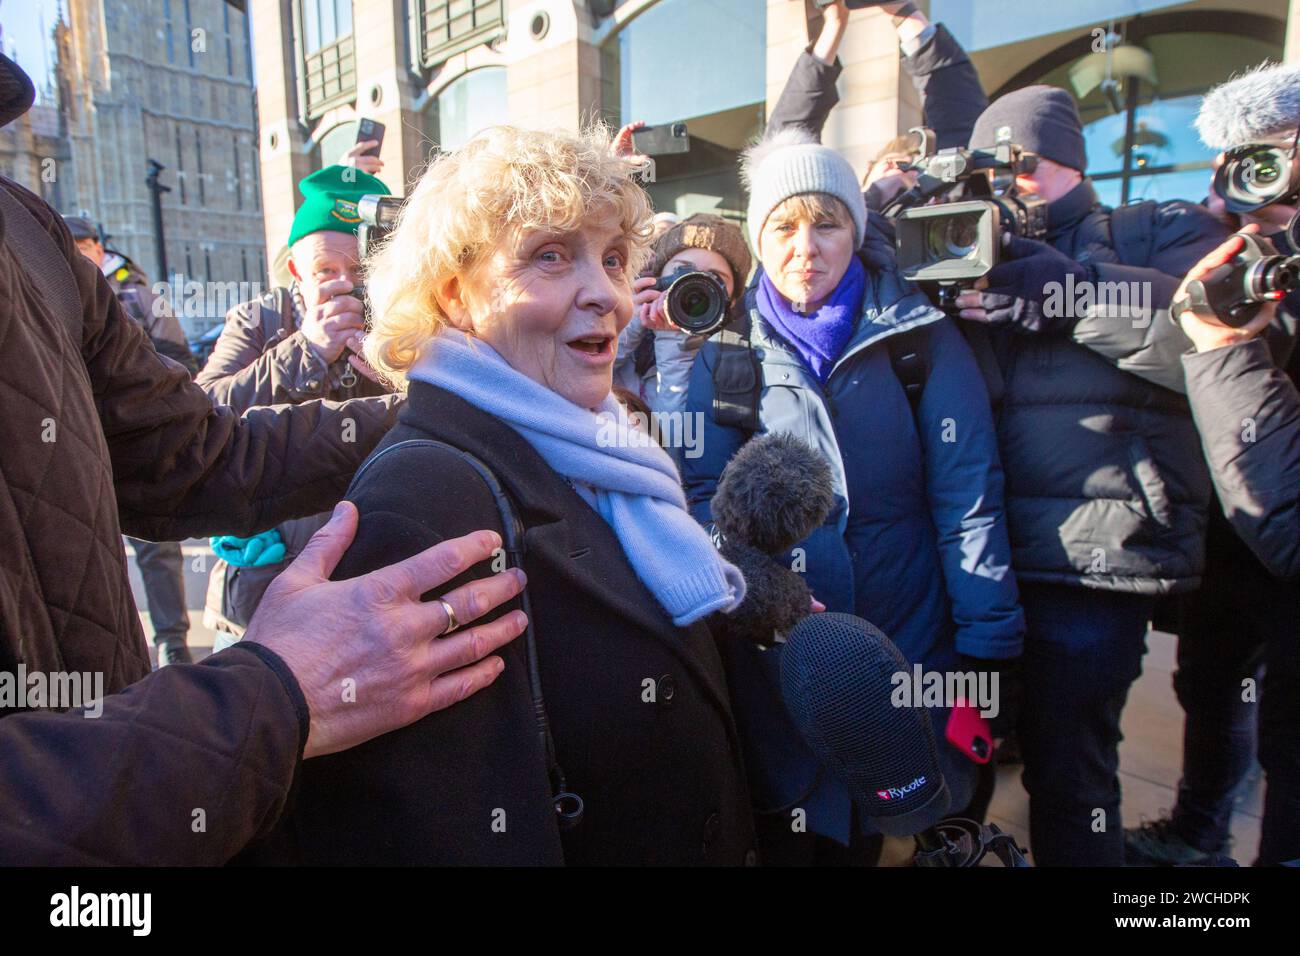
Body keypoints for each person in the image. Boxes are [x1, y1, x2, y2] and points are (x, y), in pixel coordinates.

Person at [0, 52, 523, 863]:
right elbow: (222, 394)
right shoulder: (255, 320)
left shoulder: (22, 231)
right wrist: (263, 697)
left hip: (167, 801)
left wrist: (444, 398)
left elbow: (193, 452)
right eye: (323, 269)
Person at [235, 125, 756, 866]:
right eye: (550, 255)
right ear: (454, 294)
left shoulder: (608, 442)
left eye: (612, 258)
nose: (604, 293)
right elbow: (426, 828)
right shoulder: (425, 495)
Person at [684, 128, 1024, 864]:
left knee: (902, 826)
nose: (805, 246)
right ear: (760, 239)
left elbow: (968, 499)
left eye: (826, 223)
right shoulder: (722, 349)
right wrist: (762, 592)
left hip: (913, 638)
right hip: (785, 654)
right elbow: (700, 497)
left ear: (856, 232)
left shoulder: (922, 339)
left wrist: (989, 645)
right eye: (784, 226)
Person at [947, 83, 1233, 866]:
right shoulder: (957, 242)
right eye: (990, 169)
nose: (1008, 185)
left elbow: (1211, 345)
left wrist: (1067, 294)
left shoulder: (1156, 230)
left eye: (1022, 165)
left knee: (1071, 782)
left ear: (1067, 163)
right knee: (960, 762)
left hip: (1091, 563)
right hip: (976, 562)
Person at [1124, 60, 1300, 868]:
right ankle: (1199, 834)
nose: (1274, 180)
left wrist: (1230, 352)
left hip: (1281, 524)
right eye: (1256, 161)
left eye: (1286, 154)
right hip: (1234, 527)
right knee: (1213, 682)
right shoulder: (1240, 255)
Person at [197, 165, 392, 641]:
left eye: (360, 271)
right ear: (296, 273)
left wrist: (397, 371)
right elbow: (201, 412)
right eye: (326, 271)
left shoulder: (405, 321)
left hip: (371, 579)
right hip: (265, 588)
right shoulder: (261, 320)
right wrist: (306, 349)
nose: (345, 284)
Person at [65, 214, 198, 666]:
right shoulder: (48, 294)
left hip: (135, 443)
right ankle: (103, 660)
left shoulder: (137, 294)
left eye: (82, 252)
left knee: (157, 549)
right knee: (84, 554)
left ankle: (172, 643)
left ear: (98, 250)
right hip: (72, 447)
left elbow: (178, 357)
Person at [765, 1, 986, 210]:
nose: (896, 169)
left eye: (909, 168)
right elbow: (784, 154)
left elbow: (959, 117)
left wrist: (901, 9)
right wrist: (834, 22)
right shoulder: (837, 236)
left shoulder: (950, 230)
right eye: (889, 164)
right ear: (859, 186)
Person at [614, 212, 752, 468]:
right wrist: (627, 323)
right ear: (657, 278)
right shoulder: (628, 337)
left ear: (731, 301)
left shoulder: (734, 362)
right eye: (682, 272)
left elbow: (671, 460)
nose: (693, 287)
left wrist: (673, 347)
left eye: (715, 279)